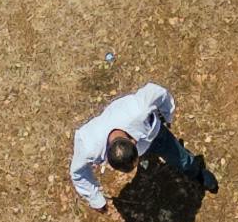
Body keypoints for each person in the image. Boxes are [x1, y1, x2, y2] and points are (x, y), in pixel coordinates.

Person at [68, 82, 213, 212]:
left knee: (181, 159)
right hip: (139, 140)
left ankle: (197, 172)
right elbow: (77, 173)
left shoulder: (139, 110)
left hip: (155, 136)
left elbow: (159, 92)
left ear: (133, 139)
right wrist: (95, 199)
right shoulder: (89, 146)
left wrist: (168, 115)